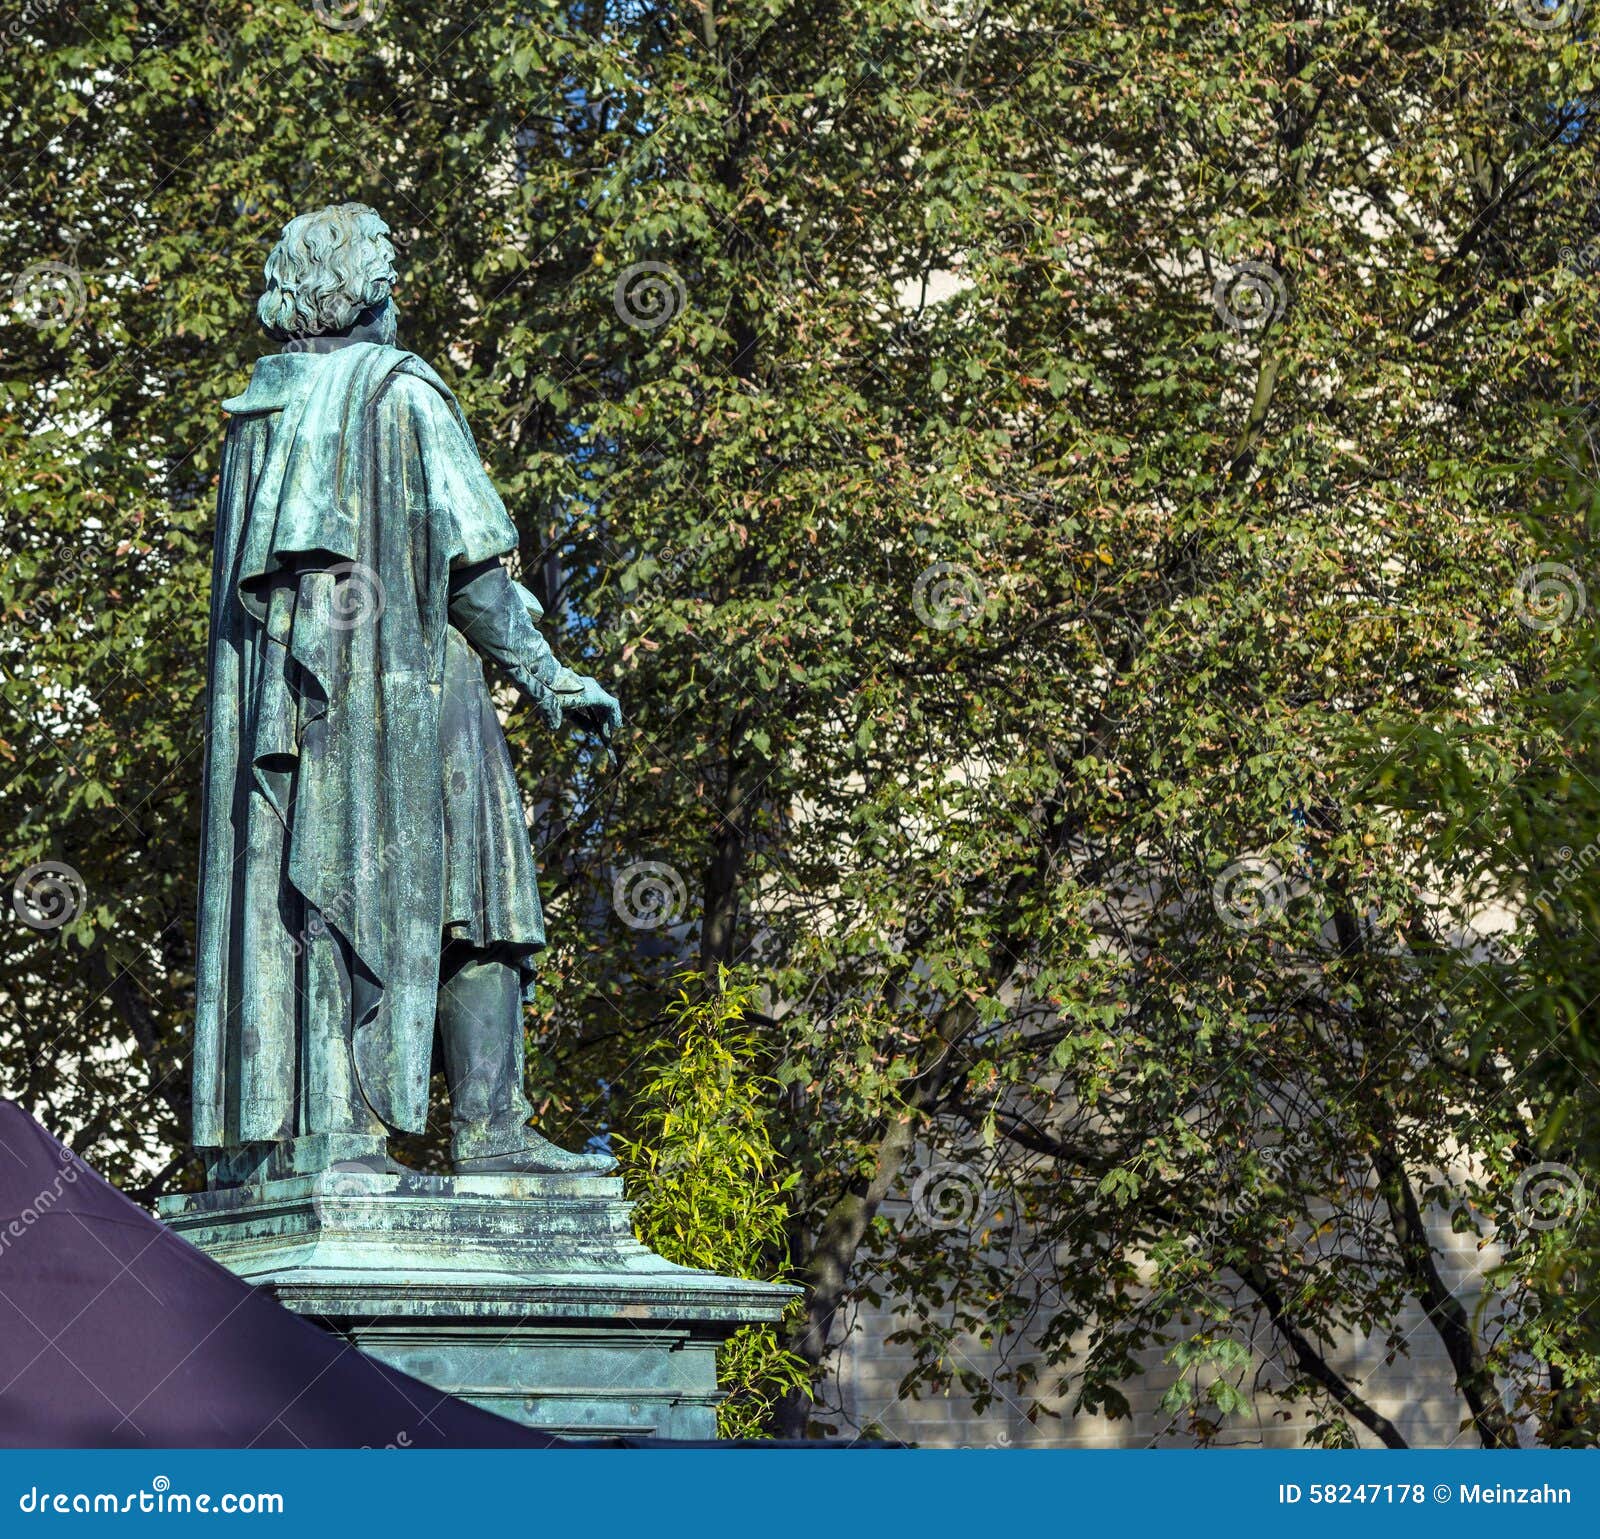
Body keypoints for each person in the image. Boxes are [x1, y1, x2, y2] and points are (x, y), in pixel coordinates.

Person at [192, 203, 620, 1182]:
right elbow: (470, 570)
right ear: (370, 293)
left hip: (300, 720)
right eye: (390, 276)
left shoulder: (257, 411)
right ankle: (488, 1131)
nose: (399, 296)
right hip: (420, 700)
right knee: (483, 899)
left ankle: (313, 1132)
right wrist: (548, 675)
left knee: (305, 906)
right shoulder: (402, 391)